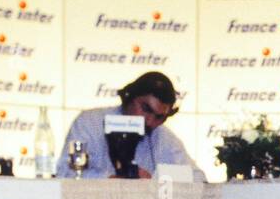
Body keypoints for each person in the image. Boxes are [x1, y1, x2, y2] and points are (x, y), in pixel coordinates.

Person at [55, 71, 205, 180]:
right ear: (129, 97)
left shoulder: (163, 137)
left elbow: (199, 179)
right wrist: (114, 180)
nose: (150, 121)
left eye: (160, 117)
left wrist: (156, 178)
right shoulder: (89, 123)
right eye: (146, 109)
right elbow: (66, 173)